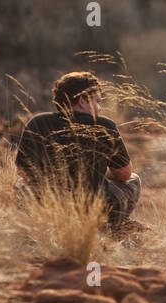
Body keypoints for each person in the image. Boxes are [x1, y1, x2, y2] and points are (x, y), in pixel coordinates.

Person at [15, 71, 140, 233]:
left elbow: (22, 171)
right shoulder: (104, 126)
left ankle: (34, 222)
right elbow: (124, 174)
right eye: (97, 101)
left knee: (20, 185)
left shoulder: (37, 123)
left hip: (45, 211)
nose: (100, 108)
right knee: (134, 179)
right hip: (92, 214)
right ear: (82, 101)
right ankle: (112, 228)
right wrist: (102, 172)